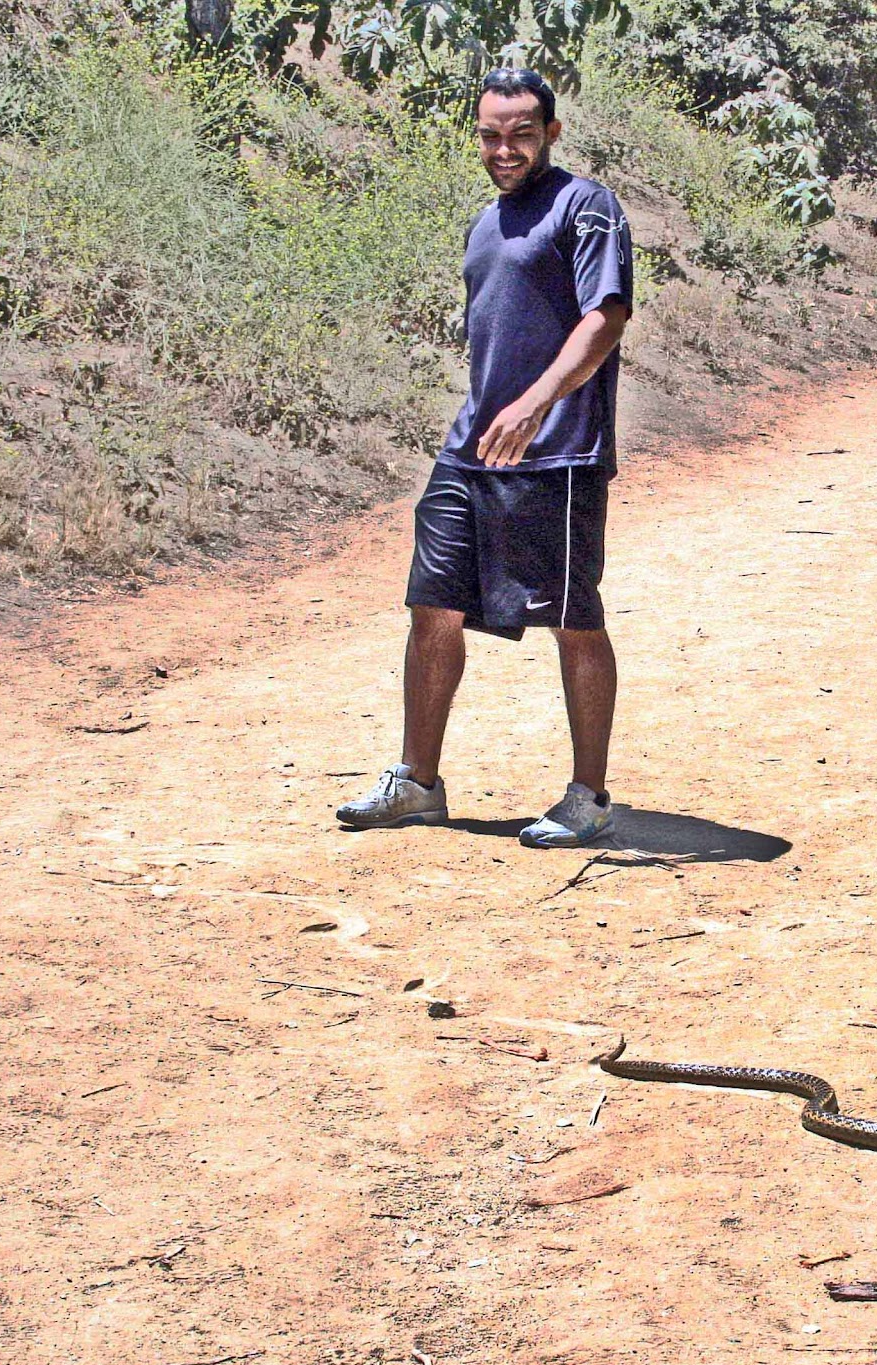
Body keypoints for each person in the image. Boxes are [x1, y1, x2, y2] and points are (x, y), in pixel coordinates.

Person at [337, 67, 632, 847]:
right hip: (472, 450)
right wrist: (496, 414)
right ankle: (417, 784)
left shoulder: (585, 206)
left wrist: (537, 403)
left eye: (521, 133)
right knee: (432, 604)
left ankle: (589, 796)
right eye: (491, 133)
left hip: (558, 453)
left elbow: (605, 317)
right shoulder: (485, 222)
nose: (504, 148)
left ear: (552, 134)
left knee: (572, 619)